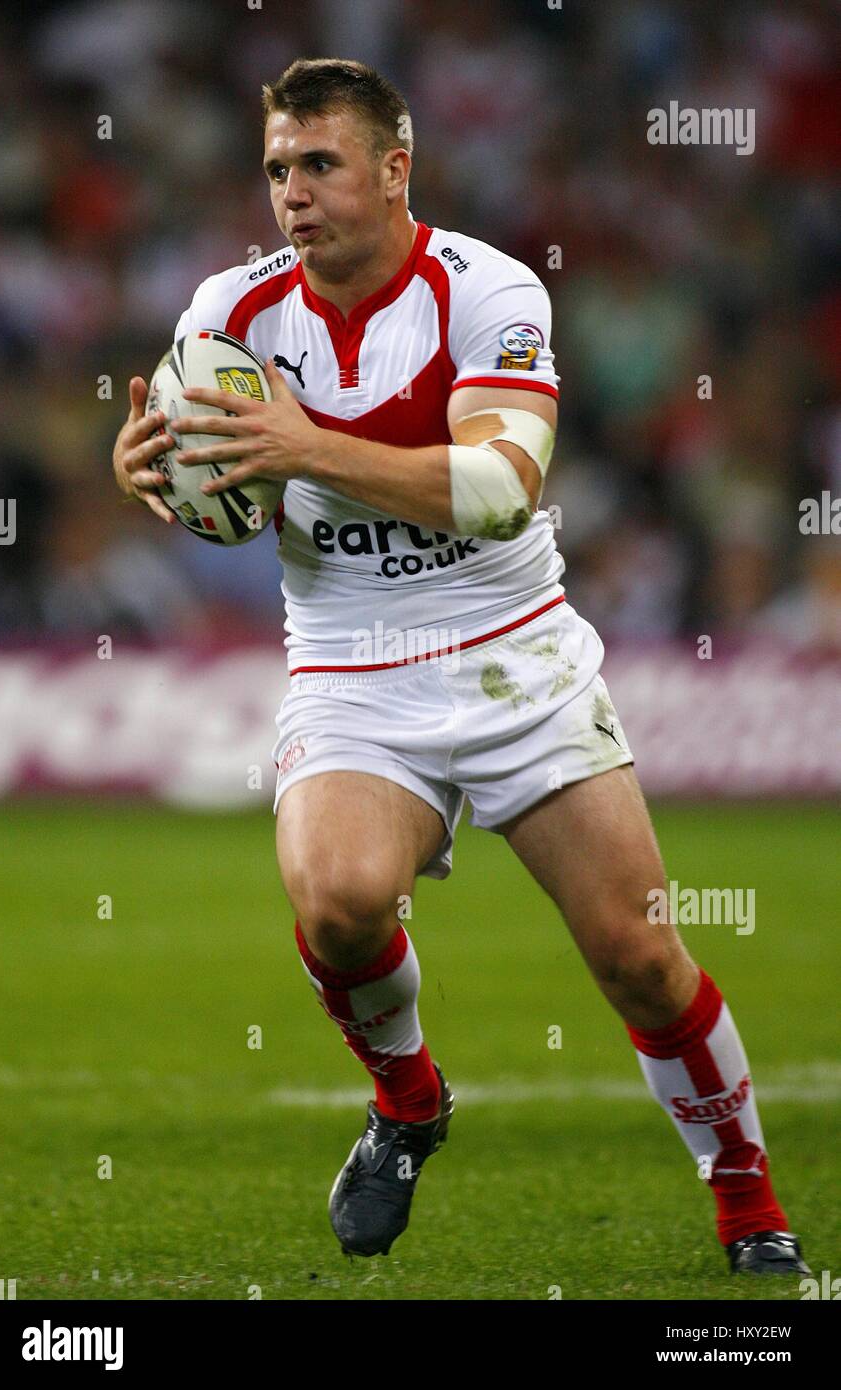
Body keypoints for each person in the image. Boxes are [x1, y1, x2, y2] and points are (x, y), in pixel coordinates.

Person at [112, 58, 808, 1276]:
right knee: (334, 902)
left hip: (511, 657)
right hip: (348, 663)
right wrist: (164, 482)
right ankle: (408, 1099)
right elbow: (231, 491)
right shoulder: (226, 310)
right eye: (277, 168)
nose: (294, 192)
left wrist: (302, 443)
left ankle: (745, 1196)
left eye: (320, 164)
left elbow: (499, 488)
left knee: (640, 956)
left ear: (394, 167)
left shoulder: (488, 288)